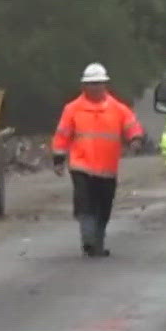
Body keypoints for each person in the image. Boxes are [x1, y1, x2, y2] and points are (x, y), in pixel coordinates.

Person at [51, 62, 145, 256]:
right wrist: (58, 159)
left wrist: (135, 140)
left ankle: (98, 242)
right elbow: (62, 135)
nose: (95, 88)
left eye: (99, 83)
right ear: (84, 86)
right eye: (91, 84)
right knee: (84, 204)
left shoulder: (118, 109)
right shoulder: (72, 109)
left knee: (103, 207)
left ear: (106, 85)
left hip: (107, 169)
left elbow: (132, 126)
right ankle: (88, 239)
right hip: (81, 166)